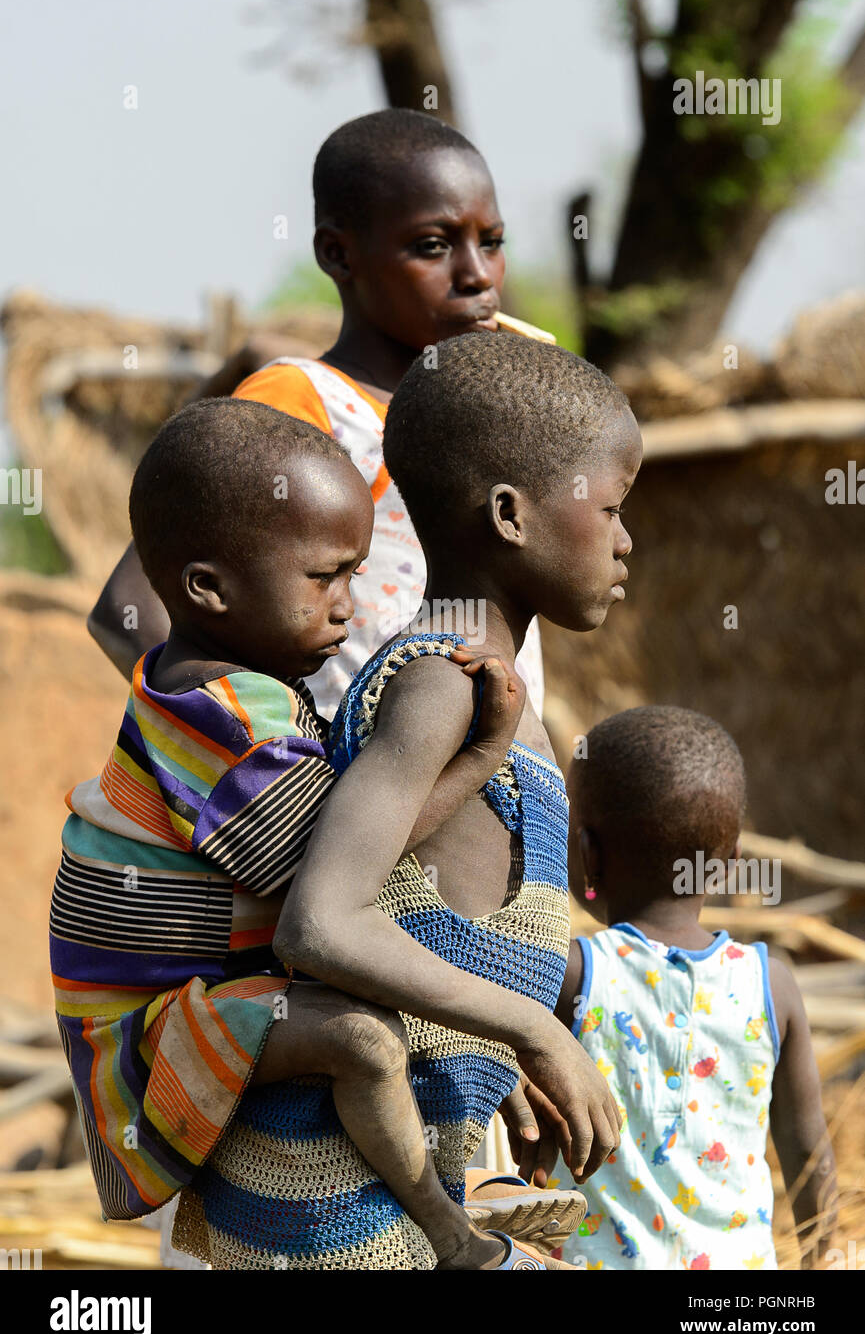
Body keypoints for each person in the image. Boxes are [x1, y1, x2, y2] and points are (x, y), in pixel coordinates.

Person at [49, 396, 574, 1271]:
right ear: (208, 589)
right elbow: (332, 876)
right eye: (324, 577)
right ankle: (448, 1230)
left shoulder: (225, 691)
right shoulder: (220, 718)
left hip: (204, 1000)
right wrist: (480, 758)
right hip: (149, 1039)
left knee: (389, 1015)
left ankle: (461, 1191)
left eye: (356, 573)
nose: (348, 604)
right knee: (360, 1038)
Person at [170, 329, 640, 1270]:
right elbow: (322, 926)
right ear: (511, 515)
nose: (628, 541)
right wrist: (535, 1031)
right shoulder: (440, 684)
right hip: (328, 1214)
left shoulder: (493, 695)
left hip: (389, 1194)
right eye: (614, 508)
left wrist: (487, 1061)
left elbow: (417, 922)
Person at [85, 108, 545, 721]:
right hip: (348, 798)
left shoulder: (486, 415)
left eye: (492, 242)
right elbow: (125, 608)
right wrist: (270, 761)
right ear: (337, 253)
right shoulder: (302, 403)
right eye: (433, 246)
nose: (477, 274)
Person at [551, 705, 838, 1270]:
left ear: (587, 855)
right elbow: (810, 1157)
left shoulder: (575, 975)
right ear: (730, 863)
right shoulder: (771, 985)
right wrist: (821, 1261)